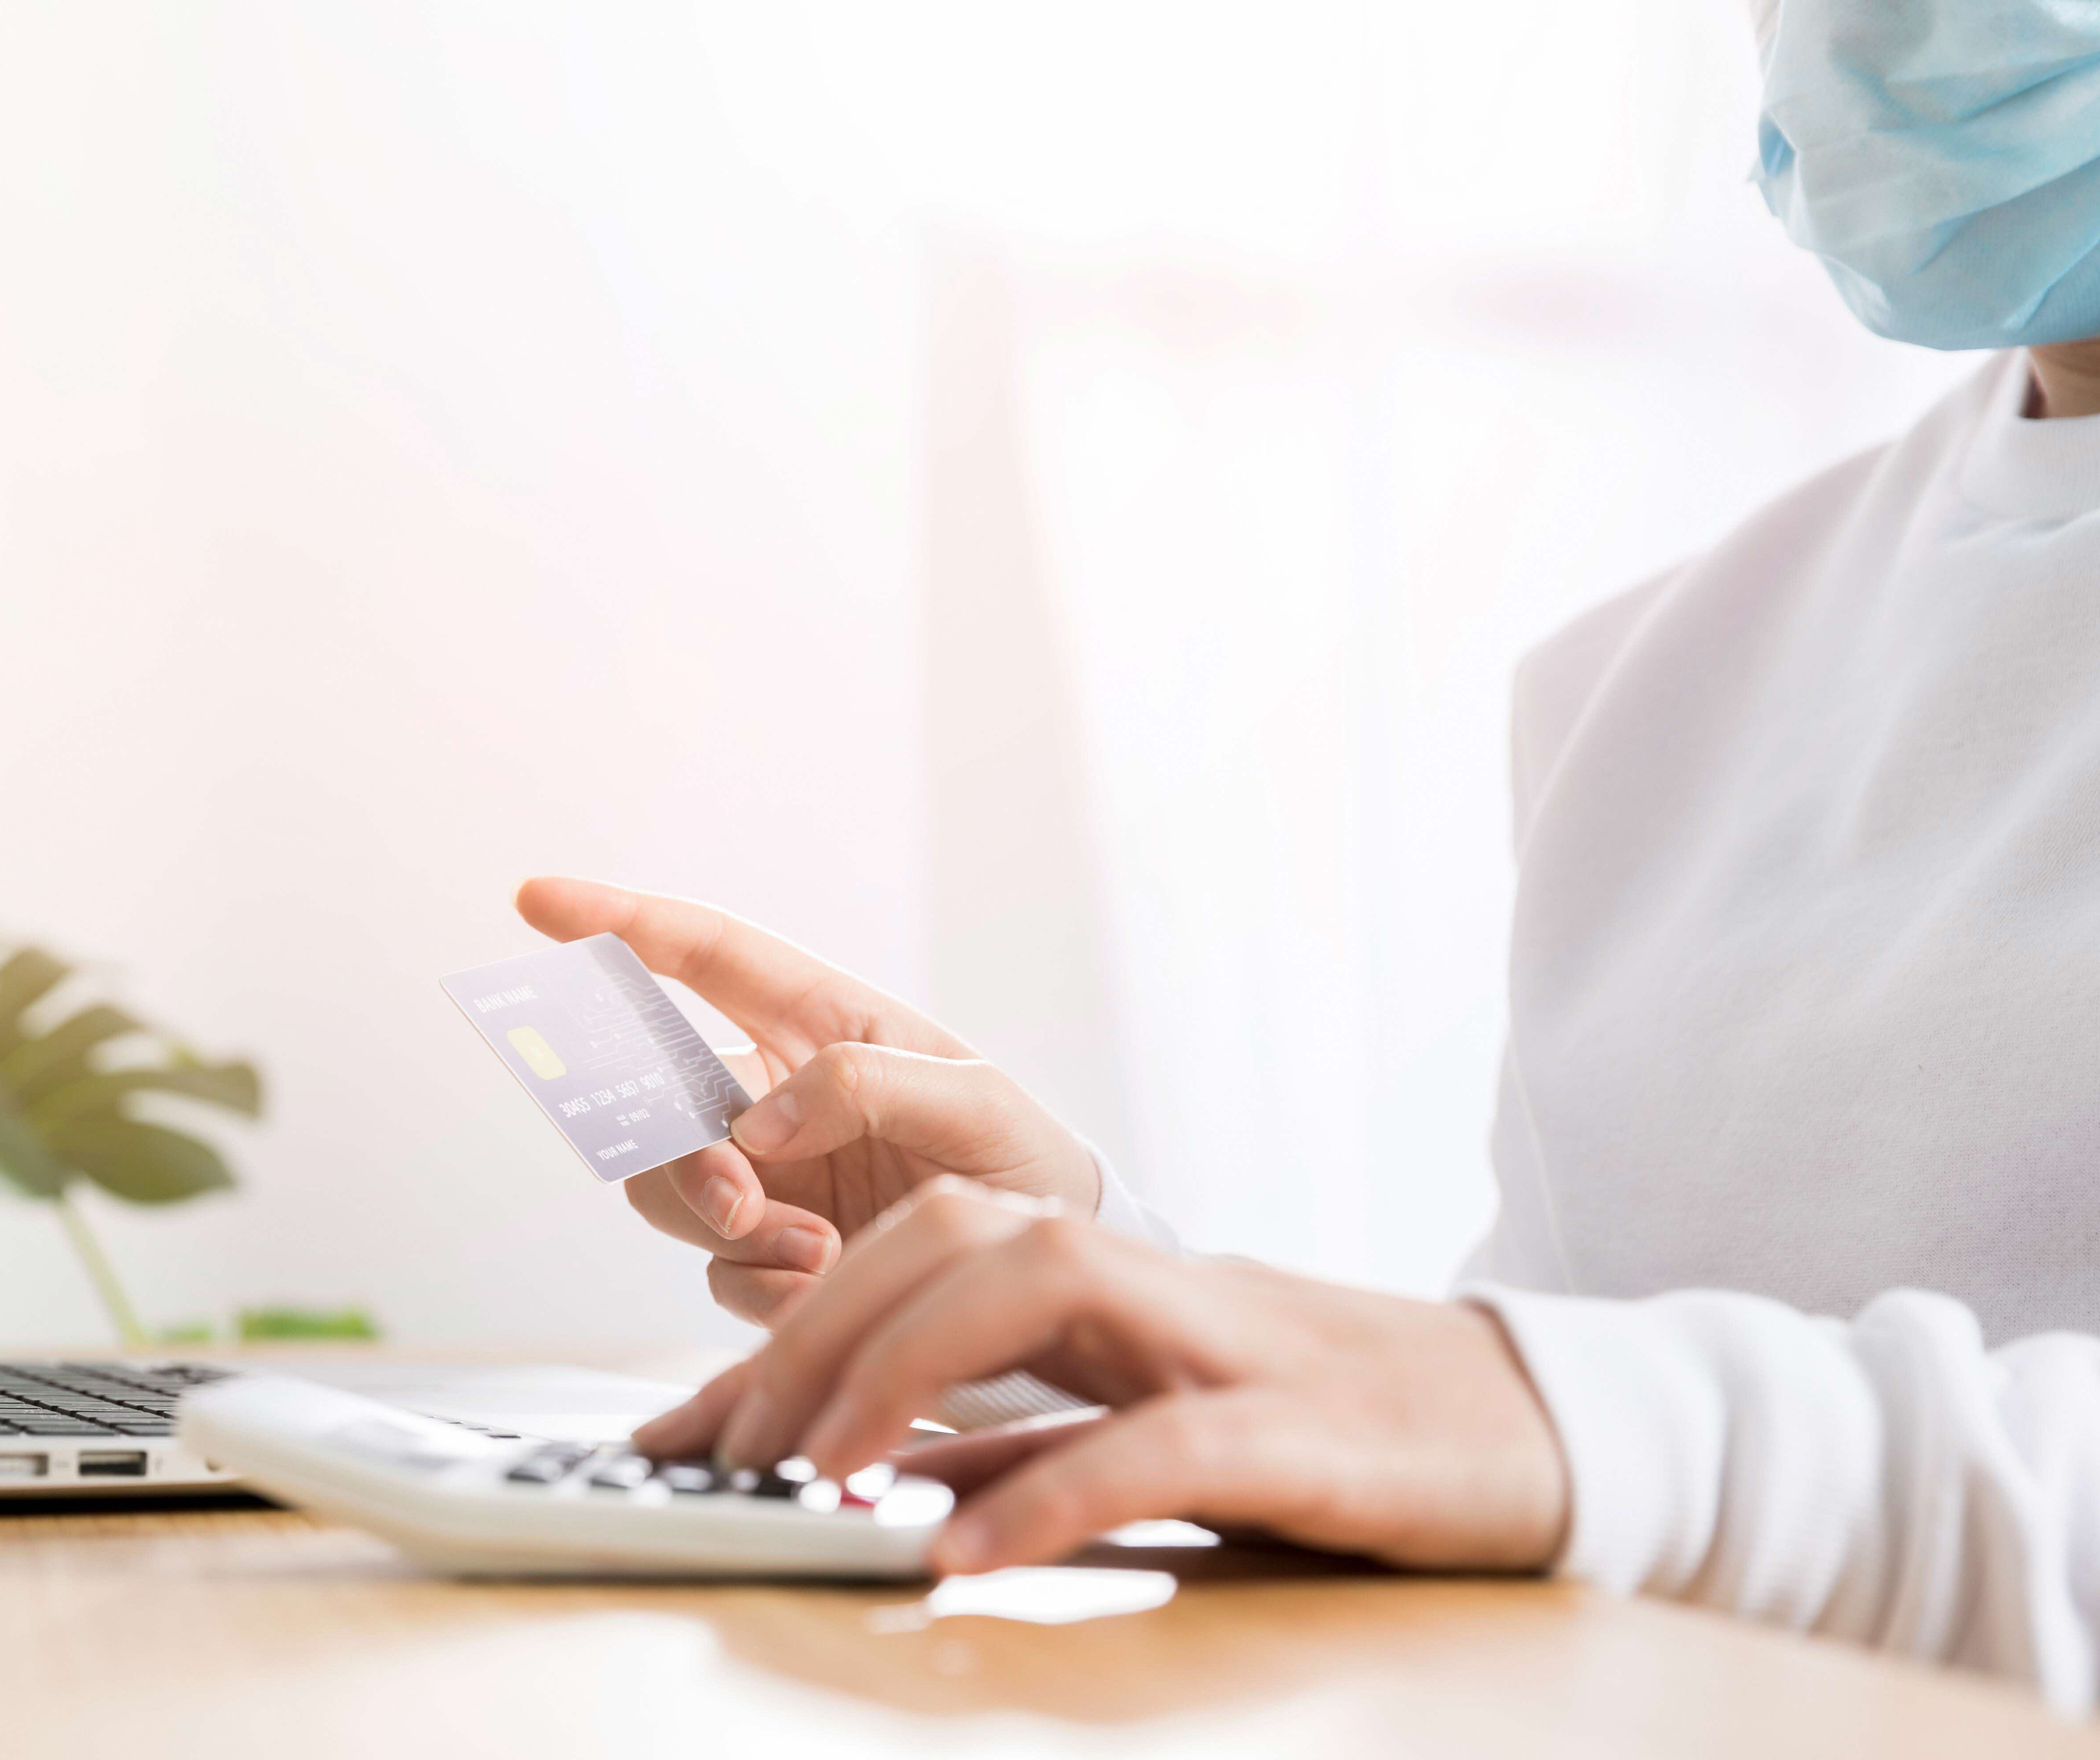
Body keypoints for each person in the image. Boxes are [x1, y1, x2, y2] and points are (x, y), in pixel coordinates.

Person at [518, 0, 2100, 1714]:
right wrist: (1096, 1311)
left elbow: (1638, 1447)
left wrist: (1566, 1429)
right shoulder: (1659, 675)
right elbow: (1578, 1470)